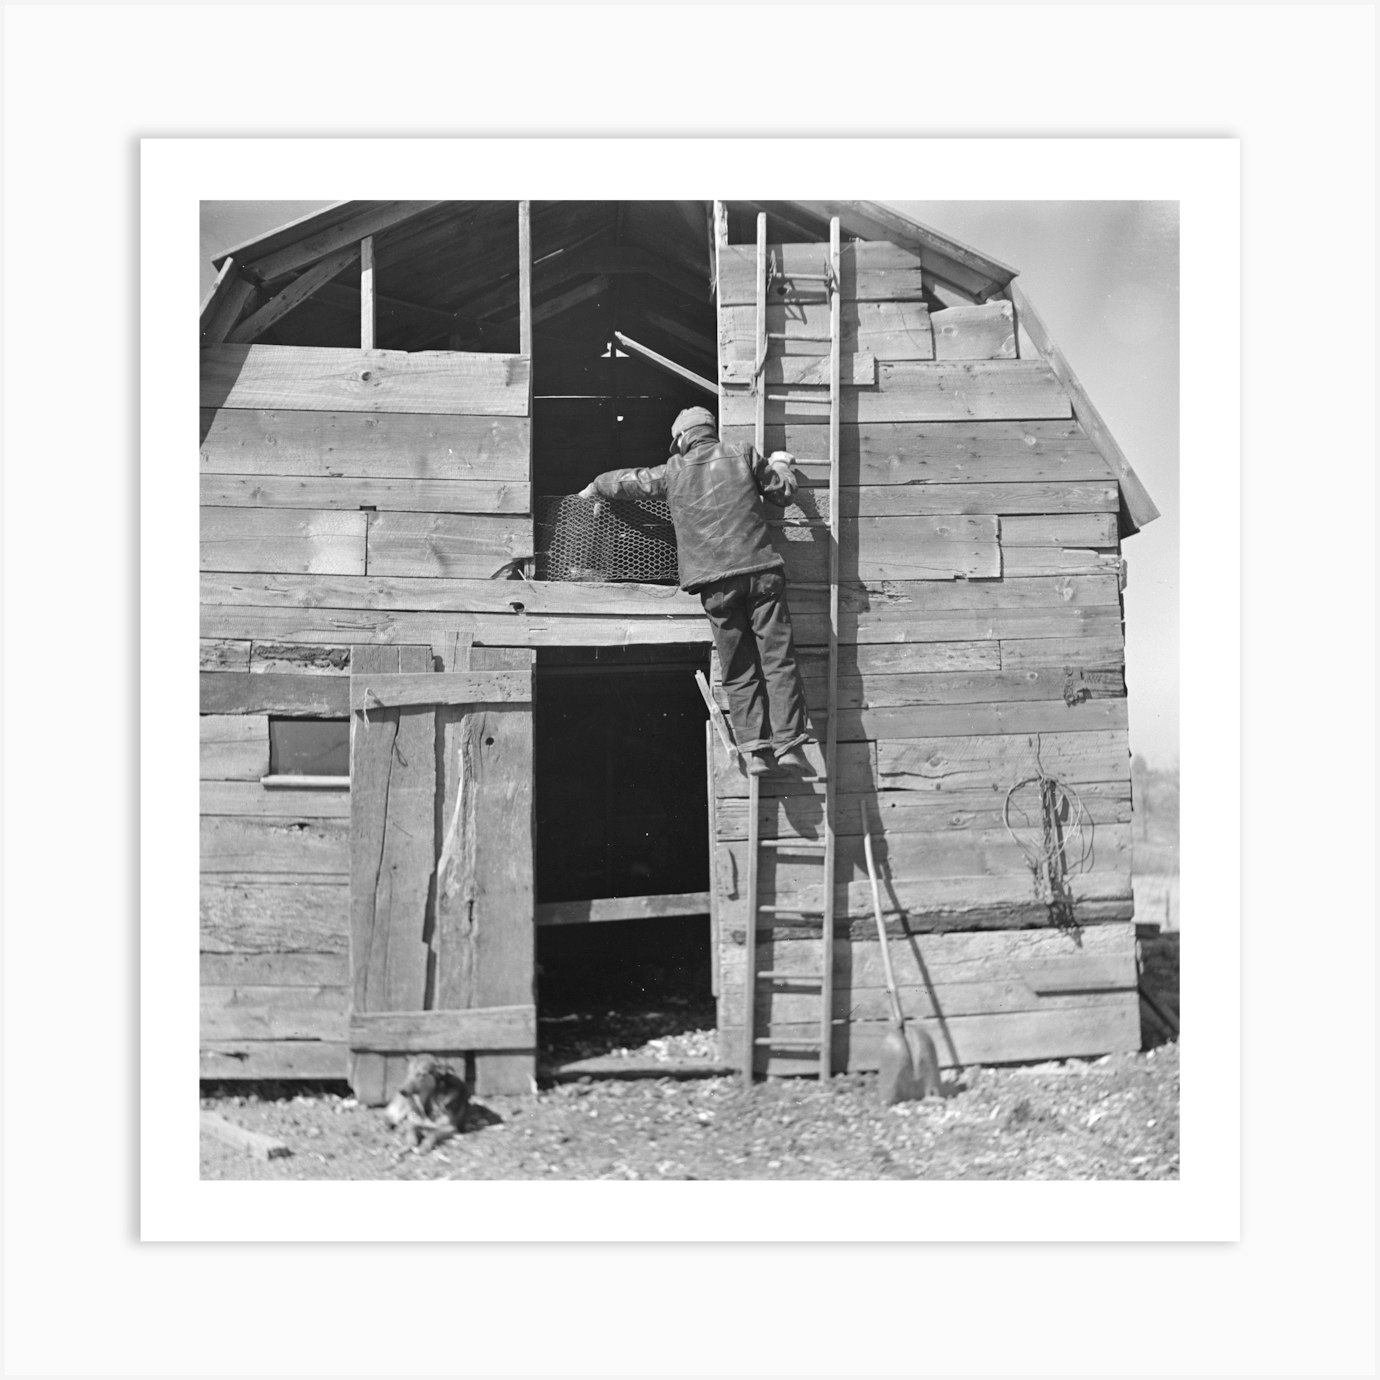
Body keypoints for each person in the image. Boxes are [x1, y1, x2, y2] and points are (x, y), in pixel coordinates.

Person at [578, 405, 813, 777]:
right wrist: (781, 462)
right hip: (760, 574)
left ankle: (755, 751)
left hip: (715, 584)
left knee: (738, 668)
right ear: (710, 430)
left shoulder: (673, 471)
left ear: (682, 439)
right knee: (778, 660)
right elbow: (783, 493)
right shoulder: (743, 452)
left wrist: (595, 485)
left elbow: (628, 481)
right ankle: (789, 748)